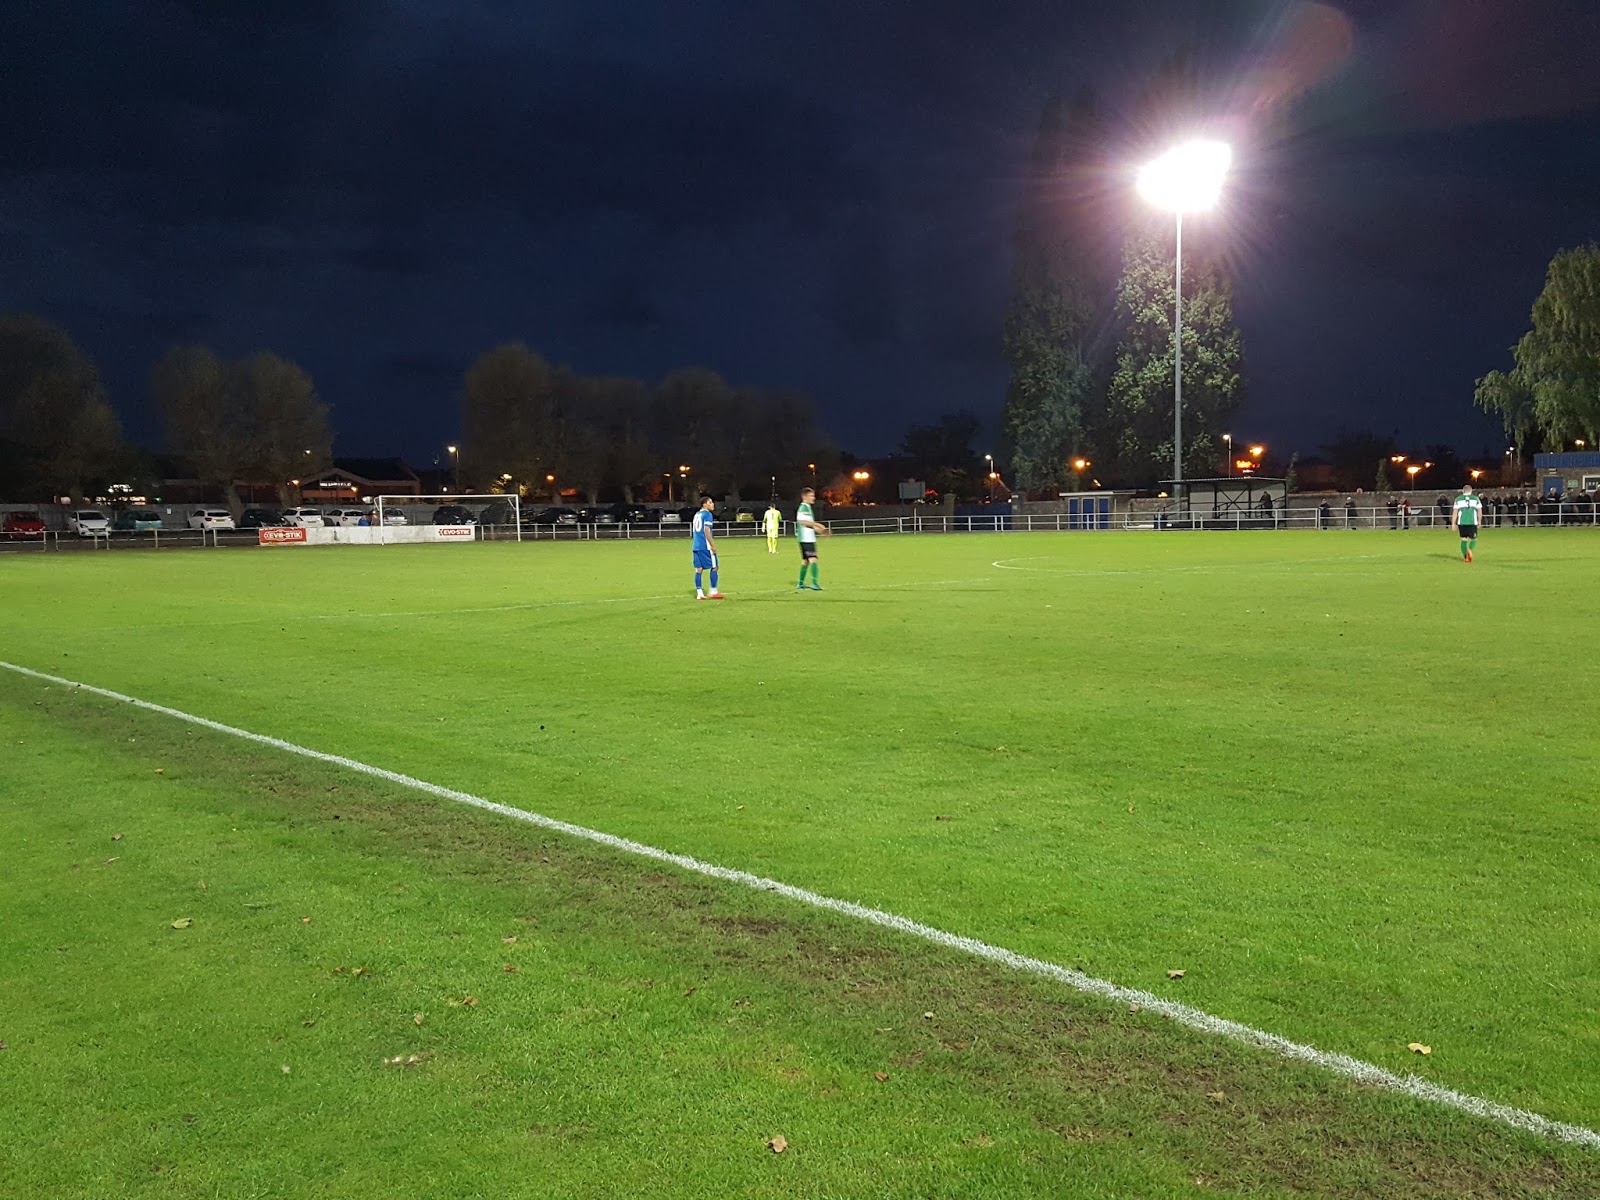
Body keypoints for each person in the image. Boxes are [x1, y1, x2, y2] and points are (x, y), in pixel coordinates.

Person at [795, 486, 829, 591]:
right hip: (806, 539)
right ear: (805, 497)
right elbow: (802, 521)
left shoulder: (808, 507)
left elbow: (809, 525)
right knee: (813, 559)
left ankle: (800, 583)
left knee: (806, 561)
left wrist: (821, 531)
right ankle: (814, 583)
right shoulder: (803, 507)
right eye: (811, 496)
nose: (813, 497)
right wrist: (818, 524)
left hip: (807, 538)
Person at [691, 496, 725, 599]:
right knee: (715, 567)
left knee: (699, 569)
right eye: (710, 502)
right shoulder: (707, 514)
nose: (712, 504)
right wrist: (712, 545)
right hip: (705, 546)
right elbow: (706, 530)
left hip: (696, 545)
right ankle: (713, 591)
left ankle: (700, 593)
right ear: (704, 504)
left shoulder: (697, 514)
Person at [1452, 482, 1483, 562]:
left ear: (1463, 491)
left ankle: (1465, 557)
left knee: (1463, 539)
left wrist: (1453, 524)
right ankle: (1470, 550)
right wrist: (1479, 521)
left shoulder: (1458, 499)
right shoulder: (1476, 498)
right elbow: (1479, 511)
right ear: (1471, 491)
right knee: (1474, 539)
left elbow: (1455, 512)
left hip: (1461, 522)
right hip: (1472, 522)